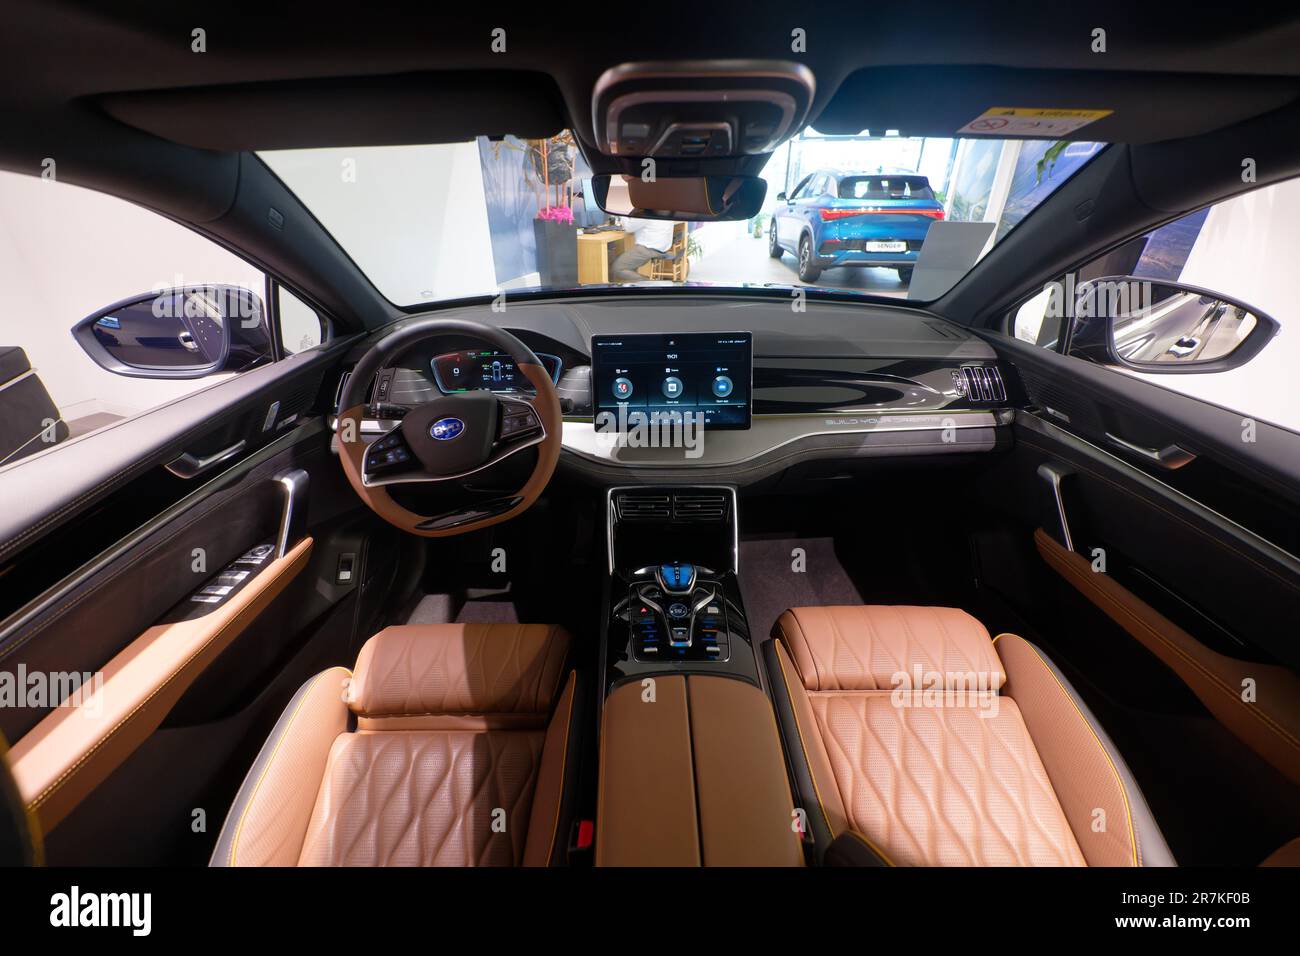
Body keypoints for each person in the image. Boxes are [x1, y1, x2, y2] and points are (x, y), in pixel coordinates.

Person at [611, 217, 677, 282]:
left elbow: (628, 228)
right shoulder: (665, 211)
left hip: (647, 249)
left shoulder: (646, 212)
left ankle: (651, 284)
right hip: (662, 249)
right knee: (629, 264)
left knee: (618, 268)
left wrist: (622, 215)